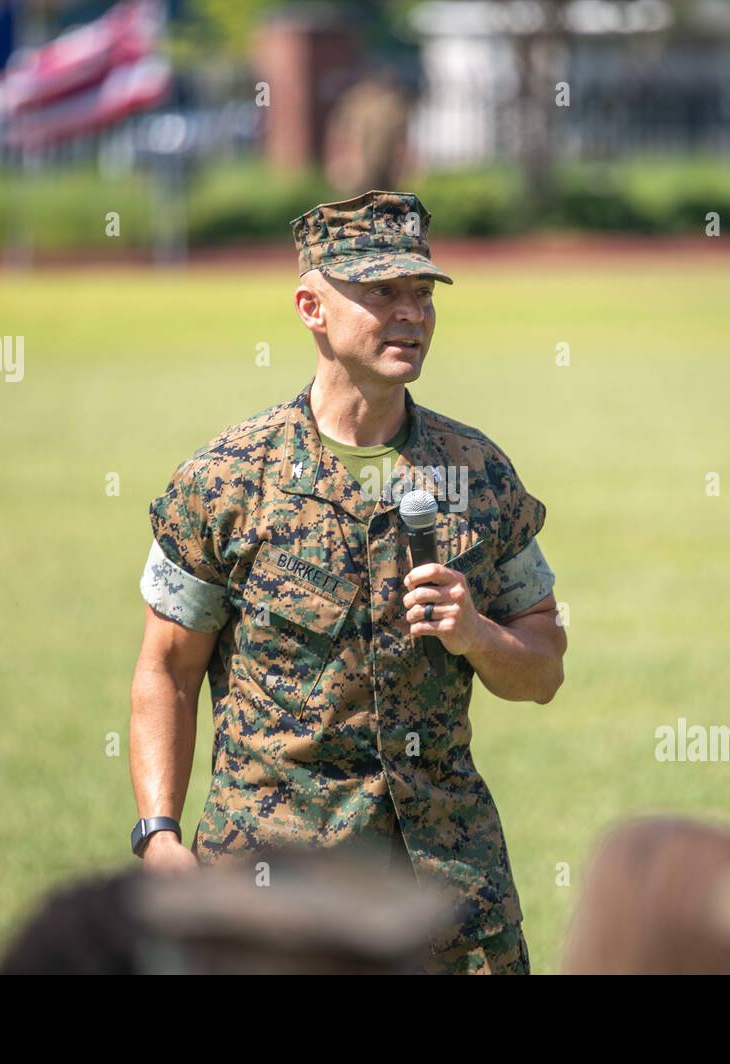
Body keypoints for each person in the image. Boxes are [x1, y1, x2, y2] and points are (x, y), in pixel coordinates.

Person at [129, 189, 567, 975]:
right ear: (311, 307)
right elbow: (167, 669)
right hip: (275, 895)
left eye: (423, 293)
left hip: (447, 891)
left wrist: (478, 635)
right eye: (381, 293)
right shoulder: (227, 482)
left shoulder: (478, 474)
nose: (411, 314)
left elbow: (543, 671)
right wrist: (158, 833)